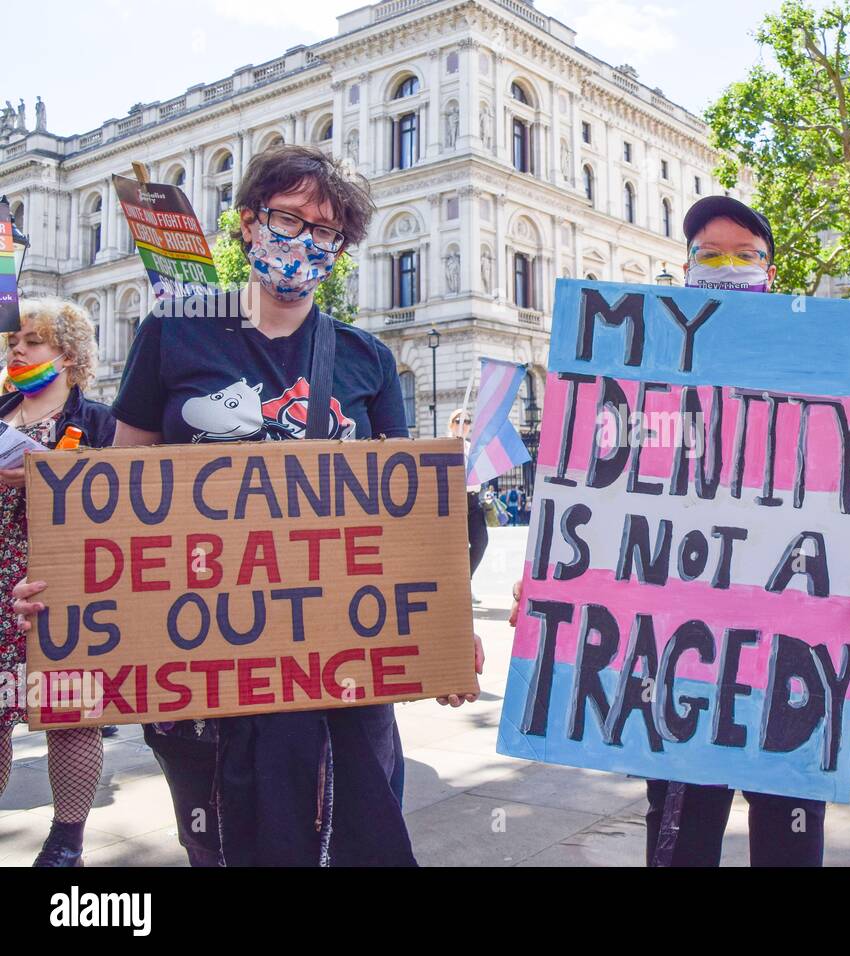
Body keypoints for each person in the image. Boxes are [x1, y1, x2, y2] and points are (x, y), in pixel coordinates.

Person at [13, 146, 482, 866]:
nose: (306, 243)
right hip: (209, 685)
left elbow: (408, 516)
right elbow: (114, 486)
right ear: (248, 224)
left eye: (327, 233)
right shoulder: (173, 332)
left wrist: (447, 620)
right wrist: (66, 587)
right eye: (289, 220)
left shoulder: (366, 359)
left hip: (340, 683)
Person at [506, 195, 850, 866]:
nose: (728, 268)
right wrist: (553, 571)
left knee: (789, 838)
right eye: (710, 255)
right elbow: (595, 482)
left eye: (745, 257)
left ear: (771, 272)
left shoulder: (826, 353)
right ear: (685, 269)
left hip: (790, 648)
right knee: (681, 837)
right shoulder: (650, 358)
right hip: (682, 658)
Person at [0, 298, 116, 866]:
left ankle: (66, 842)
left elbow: (118, 506)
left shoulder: (97, 423)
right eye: (13, 342)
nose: (16, 349)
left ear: (67, 354)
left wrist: (47, 482)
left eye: (31, 341)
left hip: (60, 589)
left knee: (69, 715)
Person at [450, 407, 489, 583]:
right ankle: (459, 586)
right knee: (456, 548)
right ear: (451, 424)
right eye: (458, 420)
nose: (462, 425)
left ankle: (465, 580)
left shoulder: (472, 448)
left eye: (467, 421)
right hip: (454, 501)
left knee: (481, 542)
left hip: (473, 500)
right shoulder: (445, 445)